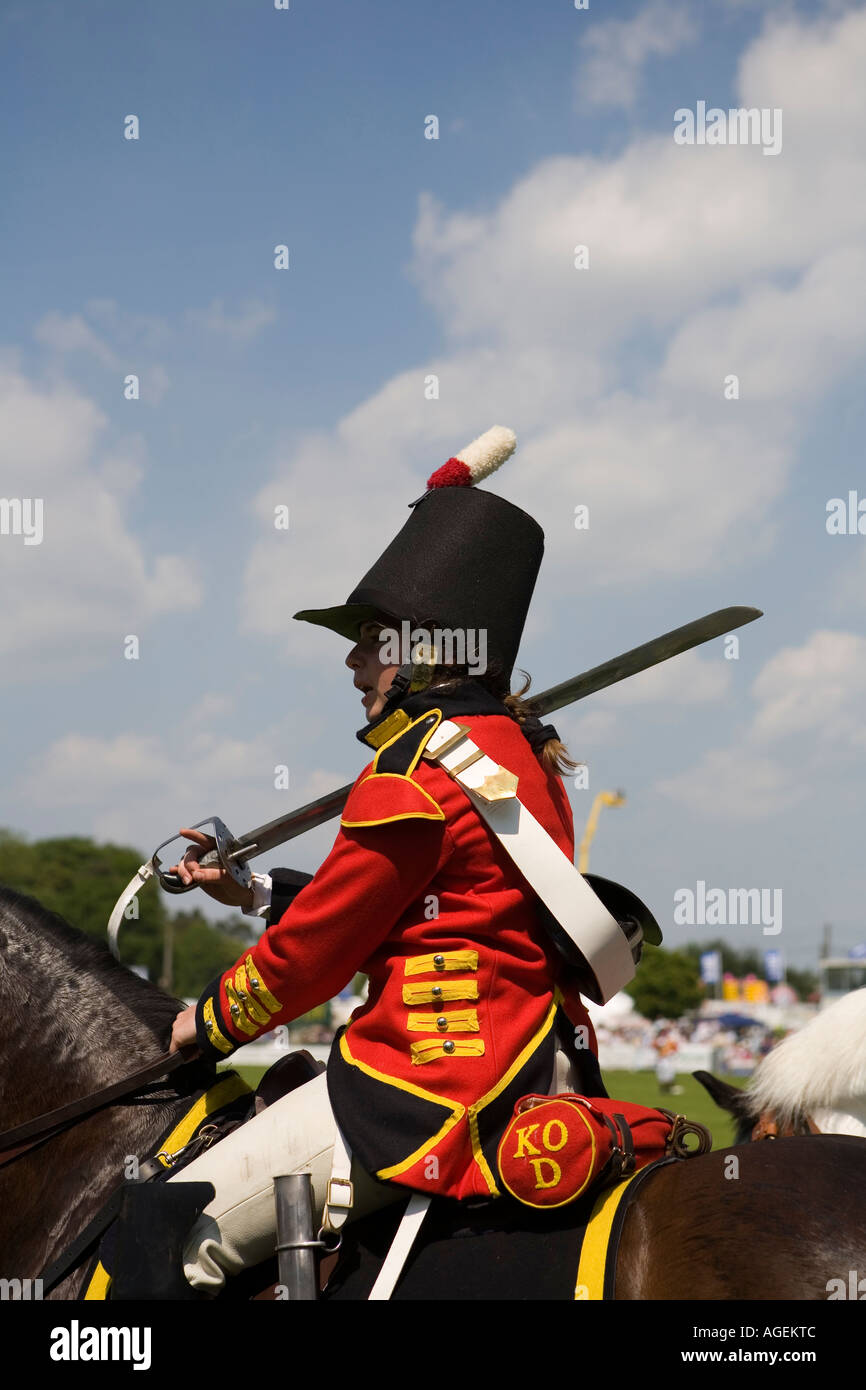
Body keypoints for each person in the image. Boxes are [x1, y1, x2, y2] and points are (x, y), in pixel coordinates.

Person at [159, 426, 657, 1295]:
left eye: (370, 638)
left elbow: (322, 951)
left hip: (424, 1080)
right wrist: (259, 891)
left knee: (171, 1236)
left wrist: (211, 1019)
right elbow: (427, 909)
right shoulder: (518, 752)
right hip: (536, 1059)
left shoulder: (415, 766)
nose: (353, 660)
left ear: (425, 646)